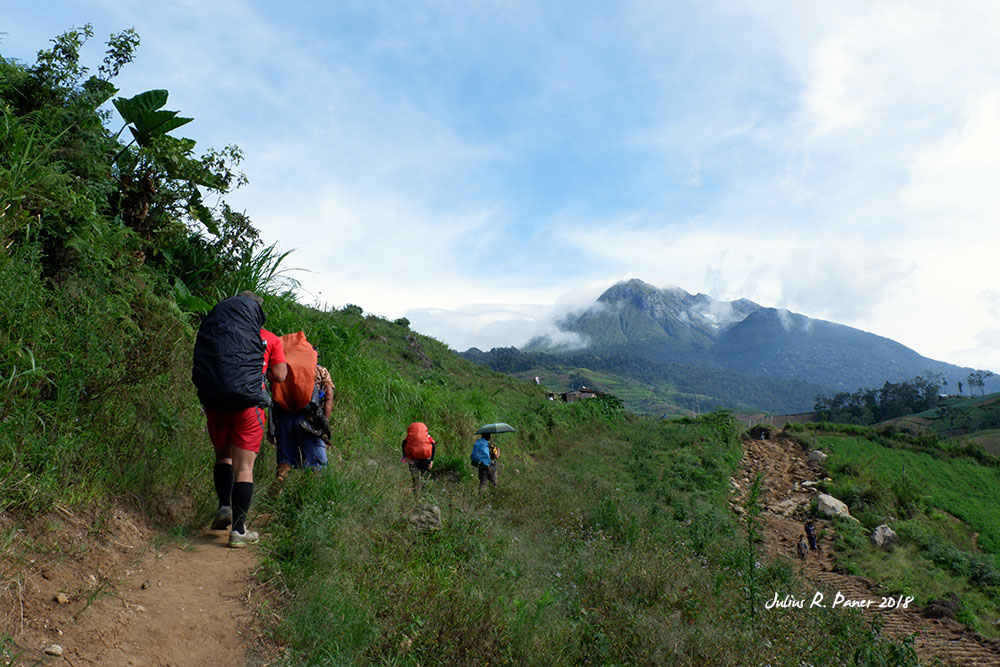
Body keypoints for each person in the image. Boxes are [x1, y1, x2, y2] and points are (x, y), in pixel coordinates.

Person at [196, 291, 287, 548]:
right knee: (244, 467)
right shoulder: (269, 338)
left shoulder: (220, 334)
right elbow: (280, 375)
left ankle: (224, 506)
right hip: (248, 406)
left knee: (223, 457)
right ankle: (238, 530)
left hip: (216, 403)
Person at [272, 362, 335, 487]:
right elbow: (328, 397)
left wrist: (272, 427)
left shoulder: (284, 368)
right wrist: (324, 424)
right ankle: (307, 492)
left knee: (286, 460)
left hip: (285, 418)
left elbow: (274, 398)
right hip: (309, 421)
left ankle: (281, 477)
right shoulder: (320, 370)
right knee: (316, 464)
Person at [401, 422, 436, 494]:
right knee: (424, 479)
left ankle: (415, 495)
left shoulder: (410, 436)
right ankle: (424, 495)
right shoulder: (427, 436)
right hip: (425, 460)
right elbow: (433, 446)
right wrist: (432, 461)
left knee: (415, 479)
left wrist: (405, 457)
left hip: (412, 460)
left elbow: (403, 444)